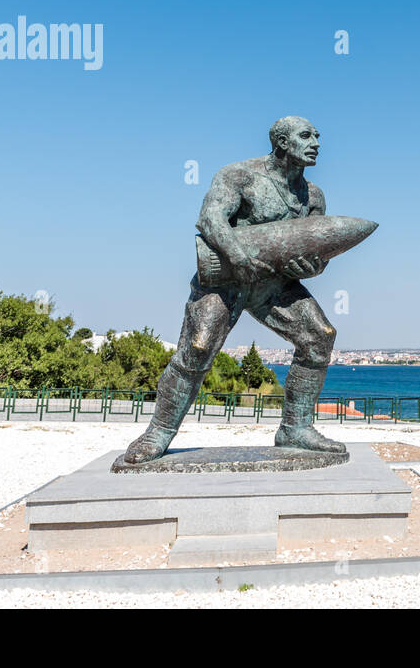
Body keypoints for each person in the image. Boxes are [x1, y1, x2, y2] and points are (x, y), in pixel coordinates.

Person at [121, 115, 344, 464]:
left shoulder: (313, 196)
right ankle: (158, 432)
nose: (316, 142)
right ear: (282, 142)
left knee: (320, 335)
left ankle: (295, 427)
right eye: (306, 136)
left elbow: (316, 253)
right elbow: (210, 219)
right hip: (224, 281)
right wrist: (238, 256)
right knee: (196, 349)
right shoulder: (238, 176)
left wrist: (313, 268)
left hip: (273, 285)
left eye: (317, 135)